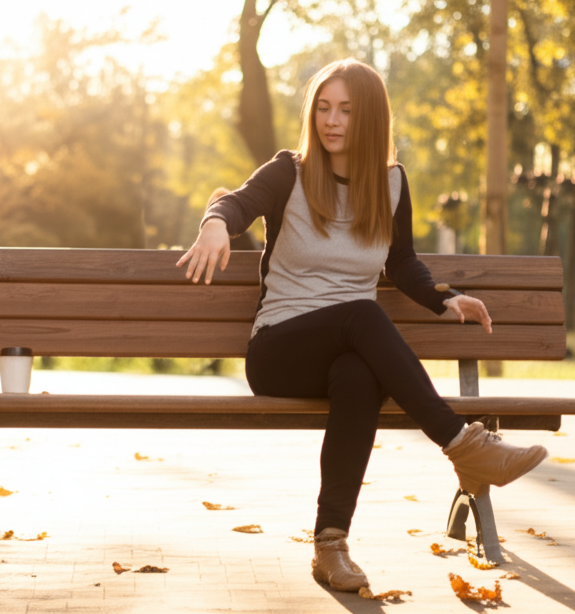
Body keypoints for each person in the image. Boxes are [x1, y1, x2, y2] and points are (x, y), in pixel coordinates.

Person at [176, 59, 547, 592]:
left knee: (358, 375)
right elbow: (236, 201)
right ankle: (464, 445)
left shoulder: (391, 183)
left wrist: (446, 300)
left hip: (346, 348)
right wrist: (215, 223)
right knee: (362, 313)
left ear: (369, 117)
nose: (331, 121)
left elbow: (401, 263)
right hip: (280, 349)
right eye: (323, 108)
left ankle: (331, 545)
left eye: (346, 111)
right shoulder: (291, 172)